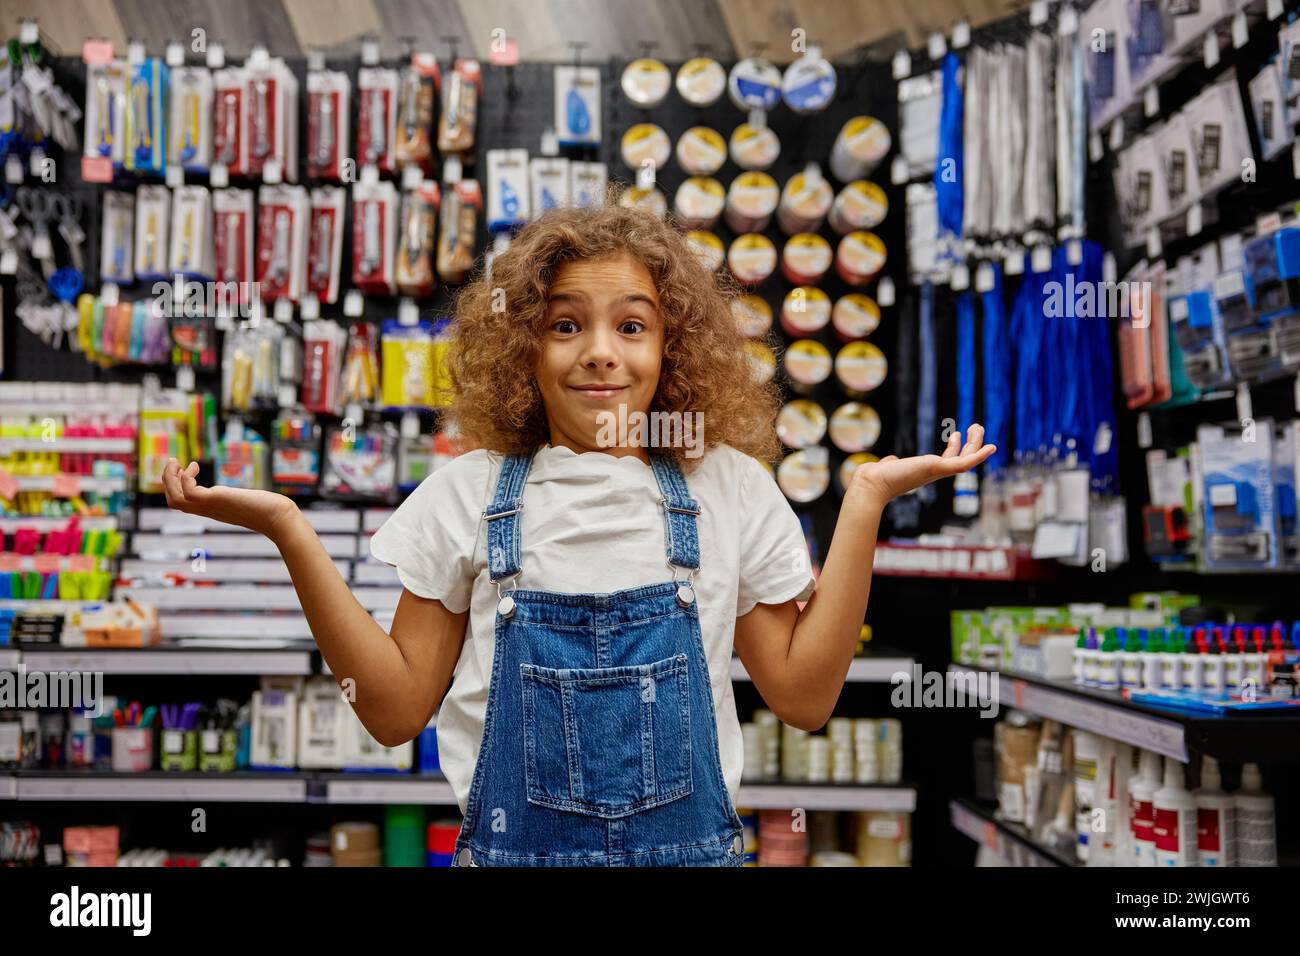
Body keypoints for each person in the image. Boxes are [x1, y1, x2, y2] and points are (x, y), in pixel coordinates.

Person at [161, 198, 994, 867]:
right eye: (566, 325)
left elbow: (805, 699)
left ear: (674, 348)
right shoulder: (467, 495)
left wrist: (865, 503)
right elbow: (391, 712)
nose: (600, 352)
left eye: (632, 326)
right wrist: (289, 529)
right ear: (523, 346)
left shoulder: (730, 490)